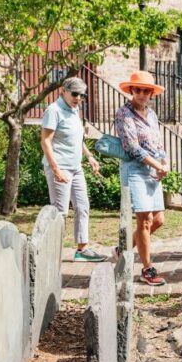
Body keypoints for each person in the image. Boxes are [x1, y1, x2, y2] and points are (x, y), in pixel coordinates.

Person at [40, 77, 107, 262]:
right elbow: (45, 141)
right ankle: (50, 252)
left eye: (82, 95)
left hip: (76, 168)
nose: (78, 98)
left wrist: (90, 156)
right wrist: (56, 170)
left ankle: (82, 249)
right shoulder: (53, 111)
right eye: (75, 94)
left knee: (82, 206)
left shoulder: (74, 109)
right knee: (60, 211)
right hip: (60, 167)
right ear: (64, 90)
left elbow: (78, 139)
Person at [115, 70, 169, 286]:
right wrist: (157, 164)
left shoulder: (152, 114)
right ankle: (147, 269)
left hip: (153, 171)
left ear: (151, 94)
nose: (142, 94)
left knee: (158, 220)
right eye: (138, 90)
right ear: (132, 90)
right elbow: (132, 147)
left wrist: (165, 162)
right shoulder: (124, 114)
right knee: (144, 221)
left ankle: (124, 248)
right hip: (135, 169)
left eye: (147, 91)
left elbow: (158, 142)